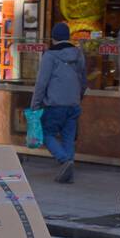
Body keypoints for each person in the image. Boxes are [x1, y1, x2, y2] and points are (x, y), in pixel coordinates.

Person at [30, 20, 88, 184]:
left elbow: (41, 83)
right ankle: (67, 170)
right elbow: (84, 81)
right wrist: (78, 97)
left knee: (46, 133)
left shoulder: (50, 56)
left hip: (54, 104)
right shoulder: (78, 54)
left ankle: (64, 160)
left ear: (53, 38)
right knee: (68, 137)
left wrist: (35, 106)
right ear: (68, 37)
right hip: (74, 104)